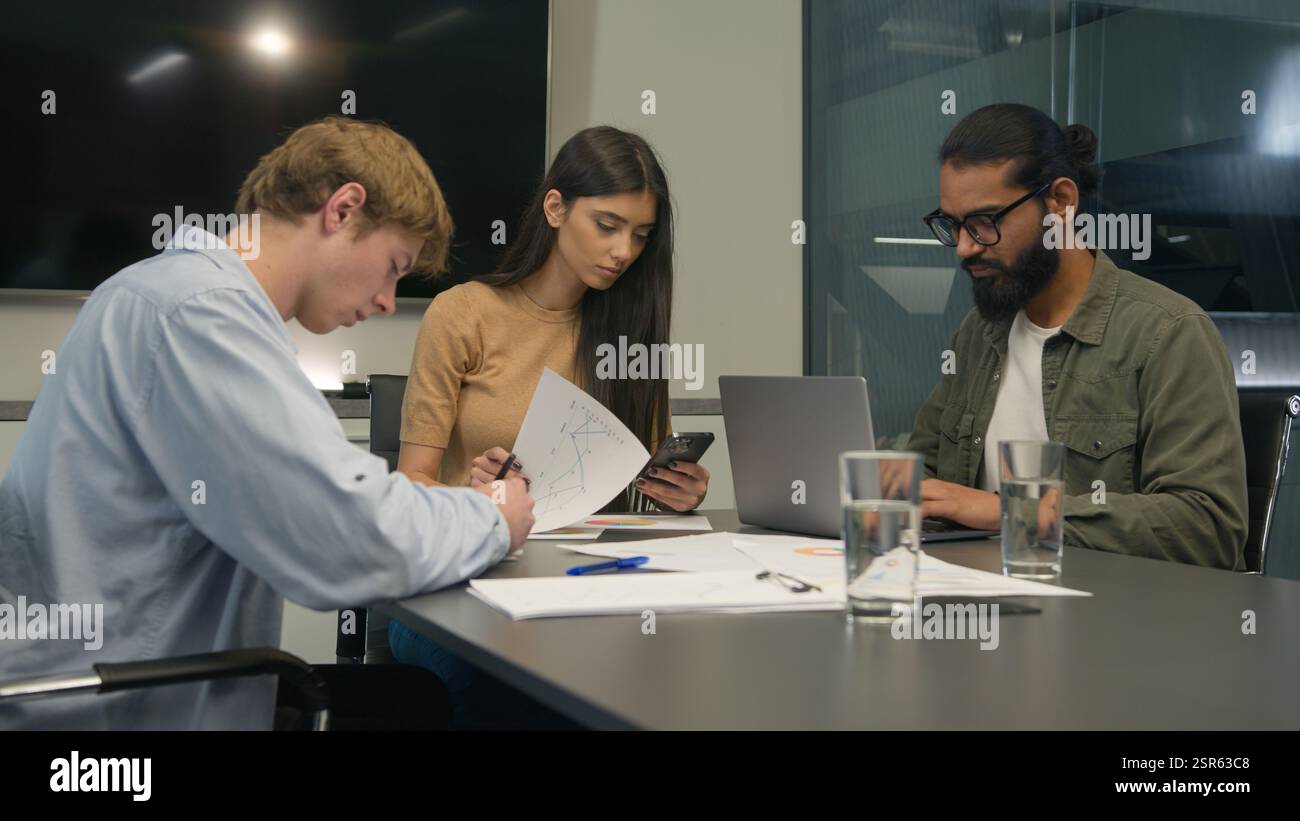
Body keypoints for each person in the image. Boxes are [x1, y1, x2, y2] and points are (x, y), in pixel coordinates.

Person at [0, 117, 535, 730]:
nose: (389, 299)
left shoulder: (166, 294)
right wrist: (495, 517)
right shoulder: (201, 315)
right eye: (393, 264)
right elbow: (343, 534)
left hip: (116, 684)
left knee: (411, 698)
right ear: (343, 209)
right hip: (117, 720)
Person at [389, 126, 709, 725]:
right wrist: (478, 500)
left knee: (661, 667)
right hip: (464, 592)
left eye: (640, 236)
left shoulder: (632, 332)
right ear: (556, 208)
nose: (623, 252)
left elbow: (631, 498)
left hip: (587, 587)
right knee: (524, 683)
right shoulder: (463, 314)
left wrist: (677, 496)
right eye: (607, 226)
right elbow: (411, 487)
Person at [907, 103, 1247, 570]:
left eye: (985, 222)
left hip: (1114, 624)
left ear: (1060, 202)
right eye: (952, 224)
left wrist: (1016, 512)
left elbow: (1207, 529)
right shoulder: (979, 333)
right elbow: (923, 475)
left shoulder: (1168, 334)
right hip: (984, 603)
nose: (965, 246)